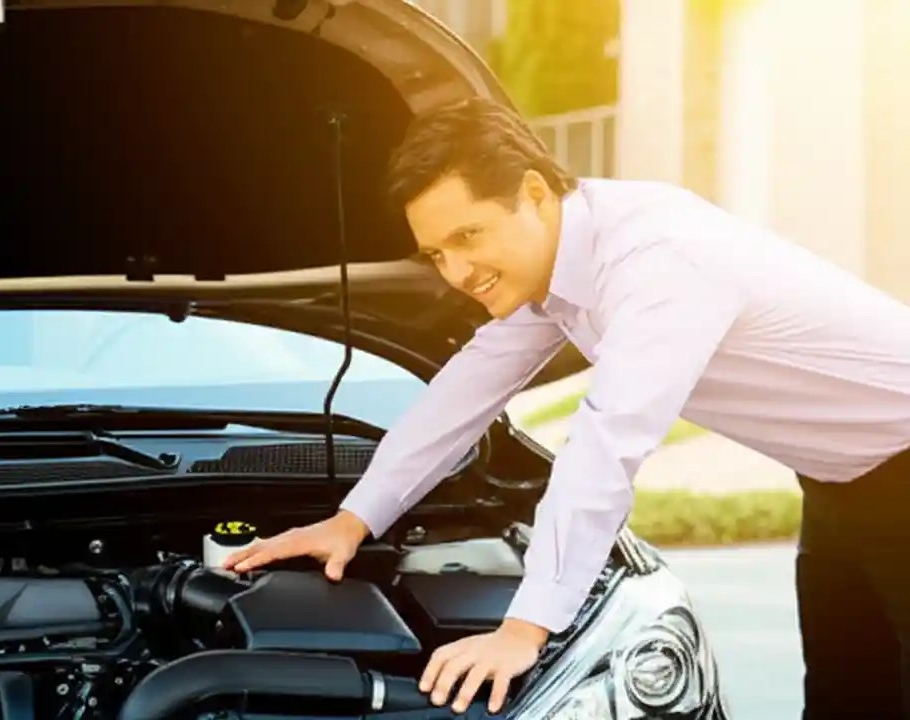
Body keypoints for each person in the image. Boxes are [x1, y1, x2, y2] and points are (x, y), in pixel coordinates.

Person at [222, 95, 910, 719]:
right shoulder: (557, 268)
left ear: (533, 193)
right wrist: (354, 520)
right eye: (436, 252)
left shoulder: (657, 260)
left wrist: (525, 630)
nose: (456, 273)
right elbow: (466, 389)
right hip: (844, 479)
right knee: (849, 698)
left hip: (900, 463)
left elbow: (604, 449)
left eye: (468, 236)